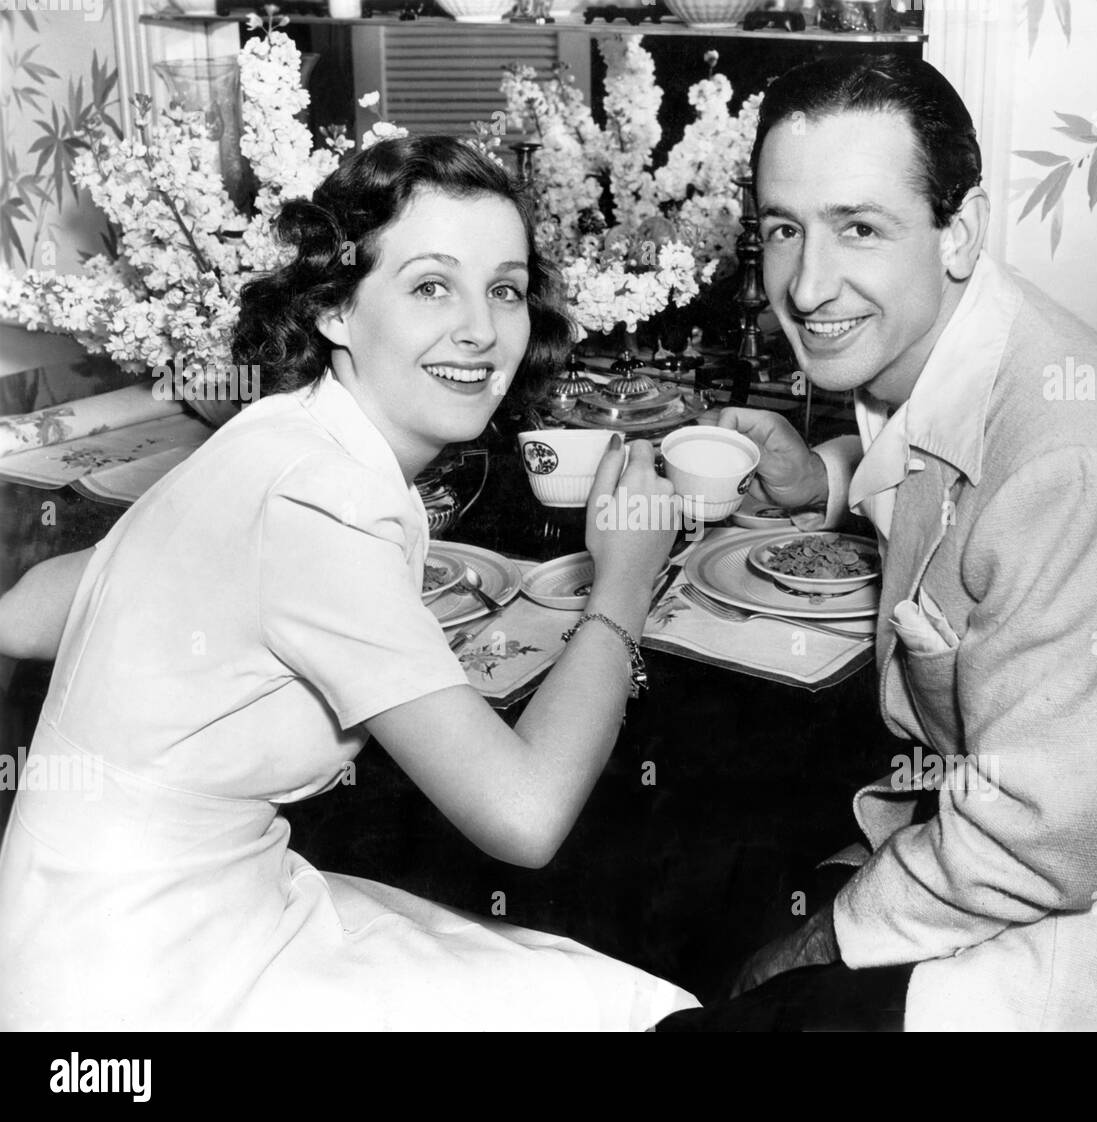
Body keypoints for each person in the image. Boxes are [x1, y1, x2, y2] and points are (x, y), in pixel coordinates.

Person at [0, 136, 699, 1030]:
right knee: (635, 1007)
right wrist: (626, 579)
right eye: (430, 286)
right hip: (144, 985)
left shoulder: (278, 433)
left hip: (117, 923)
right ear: (335, 309)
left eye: (505, 289)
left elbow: (24, 613)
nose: (482, 330)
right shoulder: (319, 501)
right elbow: (525, 819)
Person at [665, 55, 1097, 1031]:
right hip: (994, 835)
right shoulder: (948, 346)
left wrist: (814, 946)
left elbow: (1037, 846)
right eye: (785, 229)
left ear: (963, 231)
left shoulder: (1075, 466)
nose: (808, 286)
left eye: (858, 227)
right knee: (693, 895)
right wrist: (821, 478)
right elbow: (941, 466)